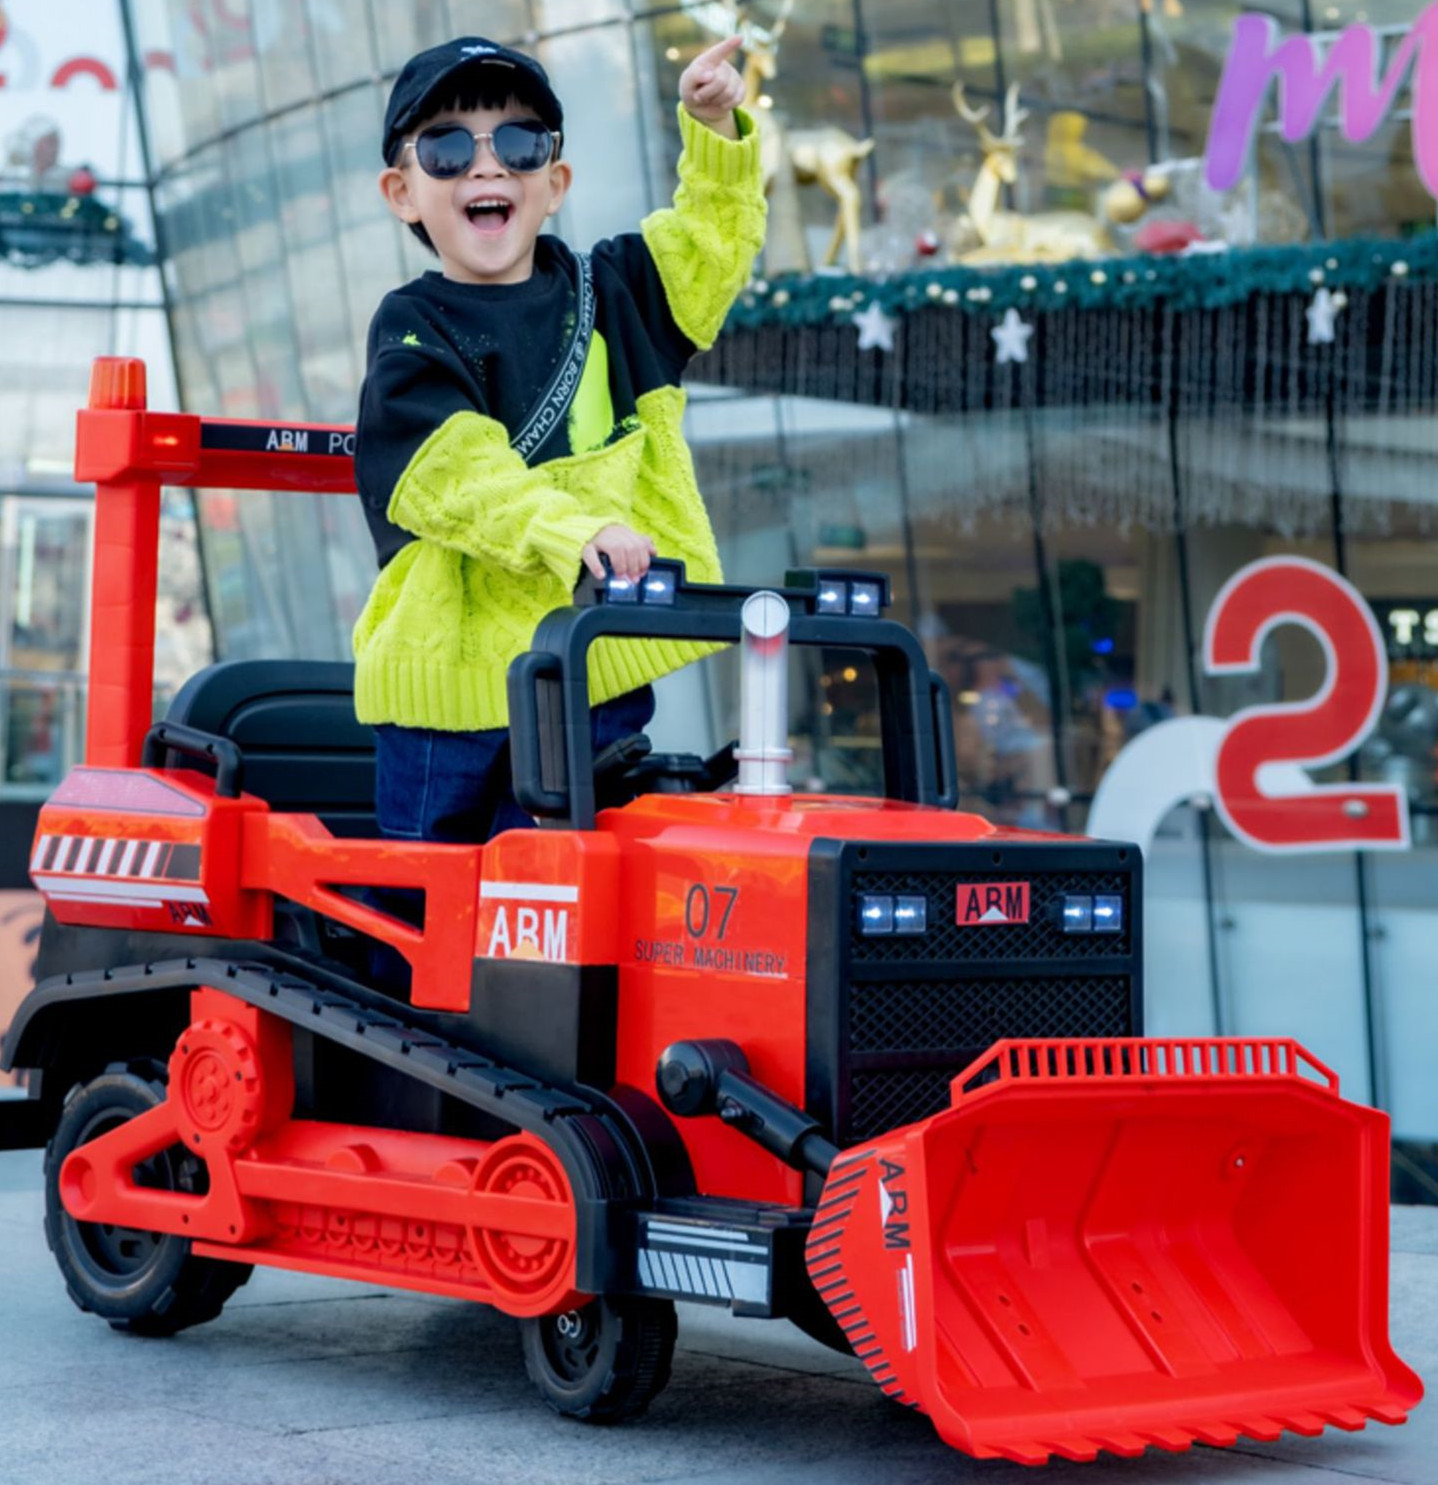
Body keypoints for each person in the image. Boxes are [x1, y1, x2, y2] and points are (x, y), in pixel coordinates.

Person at [352, 34, 764, 843]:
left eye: (519, 142)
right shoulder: (412, 328)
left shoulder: (613, 292)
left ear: (556, 181)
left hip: (590, 665)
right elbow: (457, 475)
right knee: (426, 923)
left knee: (578, 904)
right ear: (402, 192)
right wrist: (576, 533)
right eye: (445, 147)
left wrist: (712, 128)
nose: (487, 166)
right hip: (452, 694)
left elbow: (711, 245)